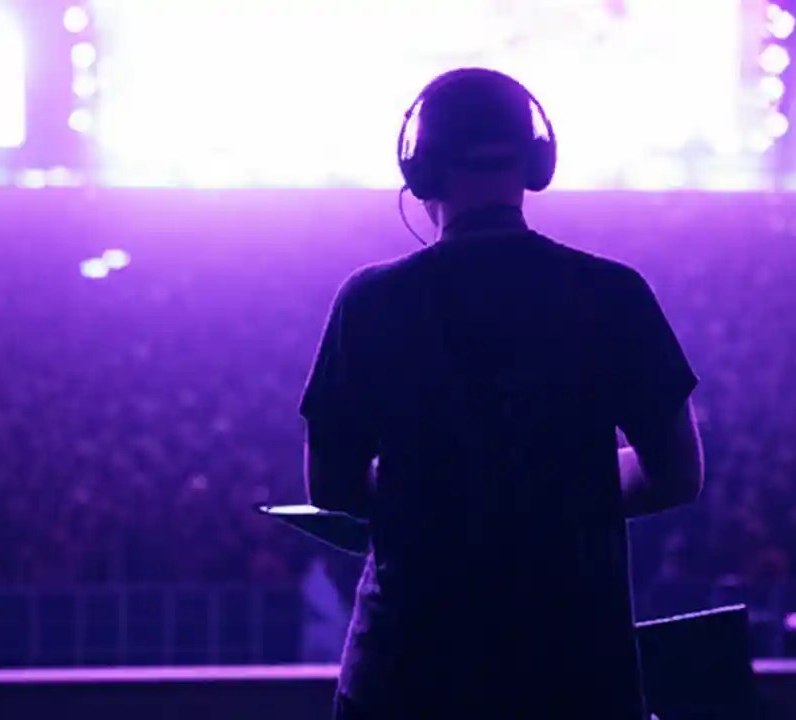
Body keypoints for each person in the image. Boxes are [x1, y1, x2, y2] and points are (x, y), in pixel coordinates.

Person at [300, 67, 703, 720]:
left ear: (420, 170)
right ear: (536, 160)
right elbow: (679, 475)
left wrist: (438, 488)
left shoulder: (370, 304)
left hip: (406, 678)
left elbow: (332, 486)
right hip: (575, 677)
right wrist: (557, 488)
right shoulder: (613, 295)